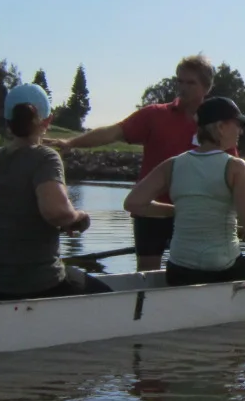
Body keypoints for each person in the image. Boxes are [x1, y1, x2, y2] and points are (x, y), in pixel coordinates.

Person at [58, 54, 216, 271]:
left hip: (193, 213)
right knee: (147, 273)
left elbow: (231, 171)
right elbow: (112, 132)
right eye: (180, 81)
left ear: (206, 88)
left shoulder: (218, 124)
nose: (183, 88)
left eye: (191, 82)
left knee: (195, 272)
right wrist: (71, 142)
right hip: (150, 210)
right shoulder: (154, 115)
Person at [0, 82, 102, 300]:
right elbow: (57, 212)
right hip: (36, 282)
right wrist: (79, 217)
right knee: (105, 295)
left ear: (7, 121)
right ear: (48, 120)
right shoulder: (45, 157)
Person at [123, 96, 245, 285]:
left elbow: (133, 203)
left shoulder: (172, 165)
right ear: (220, 127)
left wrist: (179, 210)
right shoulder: (236, 167)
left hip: (178, 271)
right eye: (237, 124)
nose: (240, 131)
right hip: (223, 268)